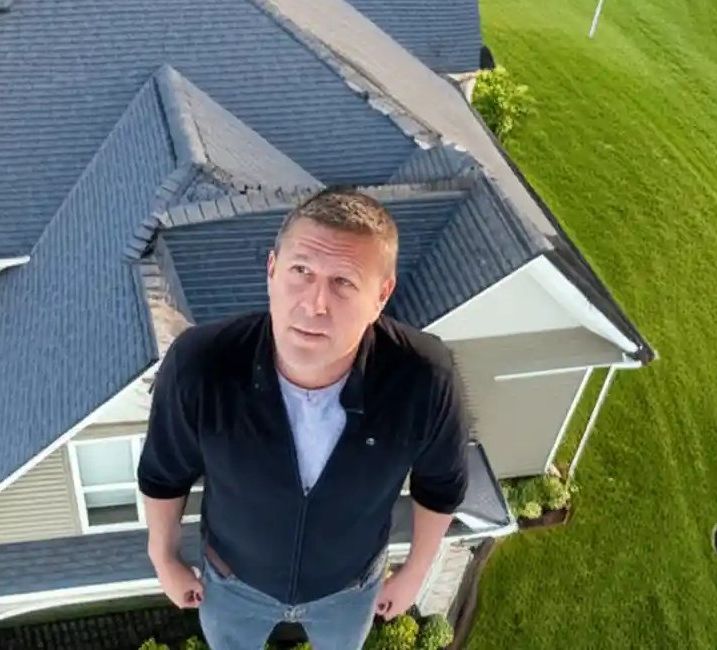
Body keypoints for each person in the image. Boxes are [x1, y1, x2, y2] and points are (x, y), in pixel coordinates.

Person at [136, 187, 469, 650]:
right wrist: (163, 557)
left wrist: (416, 571)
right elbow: (163, 472)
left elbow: (441, 486)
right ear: (272, 271)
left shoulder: (424, 379)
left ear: (381, 295)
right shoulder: (202, 364)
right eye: (301, 271)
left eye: (344, 283)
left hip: (349, 591)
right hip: (231, 584)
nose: (315, 304)